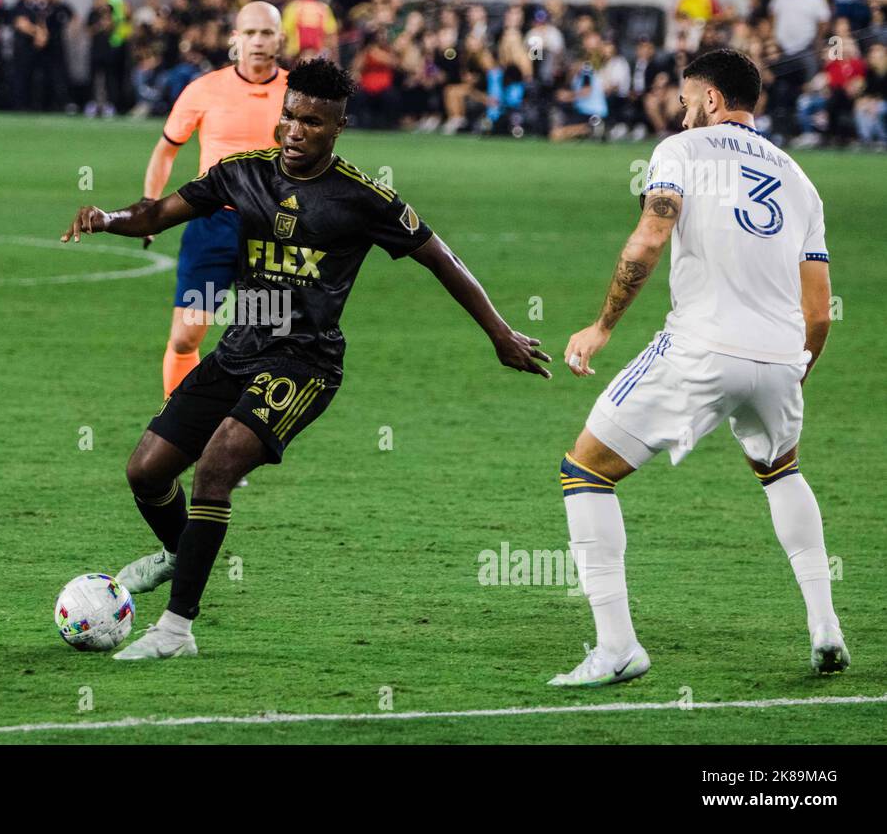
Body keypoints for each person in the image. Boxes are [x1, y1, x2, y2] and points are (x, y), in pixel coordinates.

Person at [59, 59, 552, 661]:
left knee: (215, 469)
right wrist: (107, 218)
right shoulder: (240, 175)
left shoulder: (364, 198)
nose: (294, 131)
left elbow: (442, 259)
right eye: (288, 116)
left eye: (311, 122)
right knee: (146, 471)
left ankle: (175, 631)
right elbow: (159, 214)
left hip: (305, 362)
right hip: (240, 348)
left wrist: (500, 334)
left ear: (337, 128)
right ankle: (178, 553)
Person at [553, 48, 843, 686]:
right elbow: (819, 313)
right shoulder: (800, 179)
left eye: (686, 102)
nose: (682, 115)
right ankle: (825, 627)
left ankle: (617, 646)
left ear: (710, 100)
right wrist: (792, 373)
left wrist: (602, 326)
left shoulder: (680, 152)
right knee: (781, 470)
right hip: (780, 356)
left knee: (585, 471)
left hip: (701, 348)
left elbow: (651, 238)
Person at [144, 1, 288, 399]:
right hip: (212, 225)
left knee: (267, 340)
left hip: (273, 232)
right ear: (235, 38)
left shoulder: (297, 95)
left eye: (267, 33)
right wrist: (150, 205)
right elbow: (166, 149)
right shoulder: (204, 89)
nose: (258, 41)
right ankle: (177, 427)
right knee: (186, 336)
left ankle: (248, 434)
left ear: (280, 39)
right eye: (251, 33)